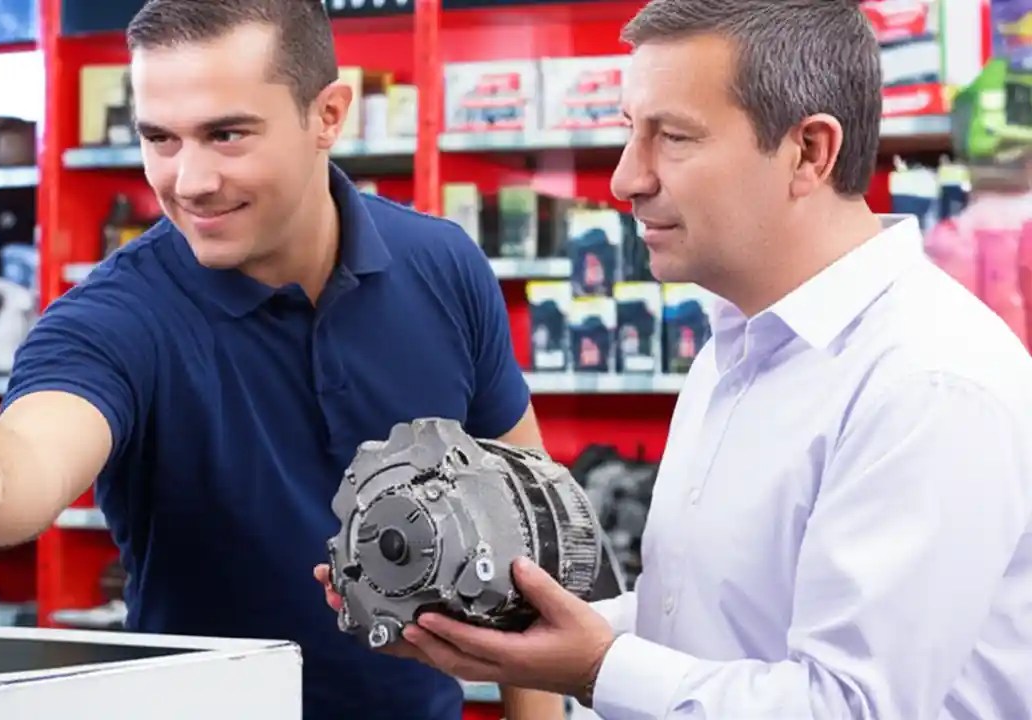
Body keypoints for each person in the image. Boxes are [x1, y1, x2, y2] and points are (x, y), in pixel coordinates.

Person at [318, 0, 1032, 718]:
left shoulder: (927, 382)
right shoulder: (738, 348)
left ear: (810, 152)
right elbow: (707, 626)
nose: (627, 178)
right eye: (632, 132)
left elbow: (847, 707)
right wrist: (521, 627)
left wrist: (597, 669)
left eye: (675, 138)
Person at [0, 0, 565, 718]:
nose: (188, 180)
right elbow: (32, 447)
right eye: (160, 138)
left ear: (327, 115)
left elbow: (520, 528)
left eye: (225, 134)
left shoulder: (443, 265)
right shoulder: (115, 315)